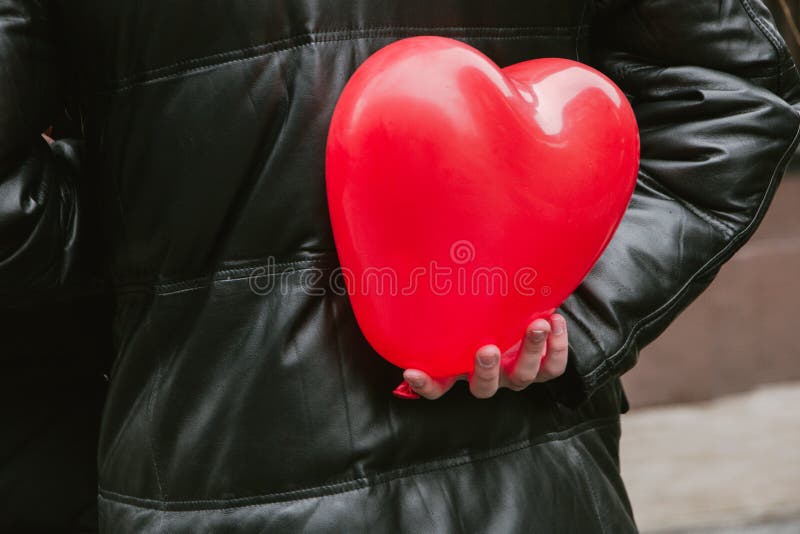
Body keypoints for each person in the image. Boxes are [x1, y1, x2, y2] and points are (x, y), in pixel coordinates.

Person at [2, 1, 799, 532]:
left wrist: (158, 255)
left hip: (210, 465)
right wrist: (569, 304)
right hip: (522, 484)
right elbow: (727, 84)